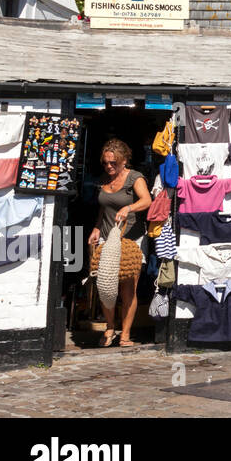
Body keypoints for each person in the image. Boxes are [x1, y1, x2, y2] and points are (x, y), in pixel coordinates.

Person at [88, 139, 152, 348]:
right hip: (107, 237)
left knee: (128, 288)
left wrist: (129, 208)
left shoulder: (134, 178)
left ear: (124, 160)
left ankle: (125, 334)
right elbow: (103, 209)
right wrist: (97, 228)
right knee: (105, 286)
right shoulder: (104, 181)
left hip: (131, 239)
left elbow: (147, 200)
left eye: (113, 163)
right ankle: (109, 326)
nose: (109, 167)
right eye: (106, 163)